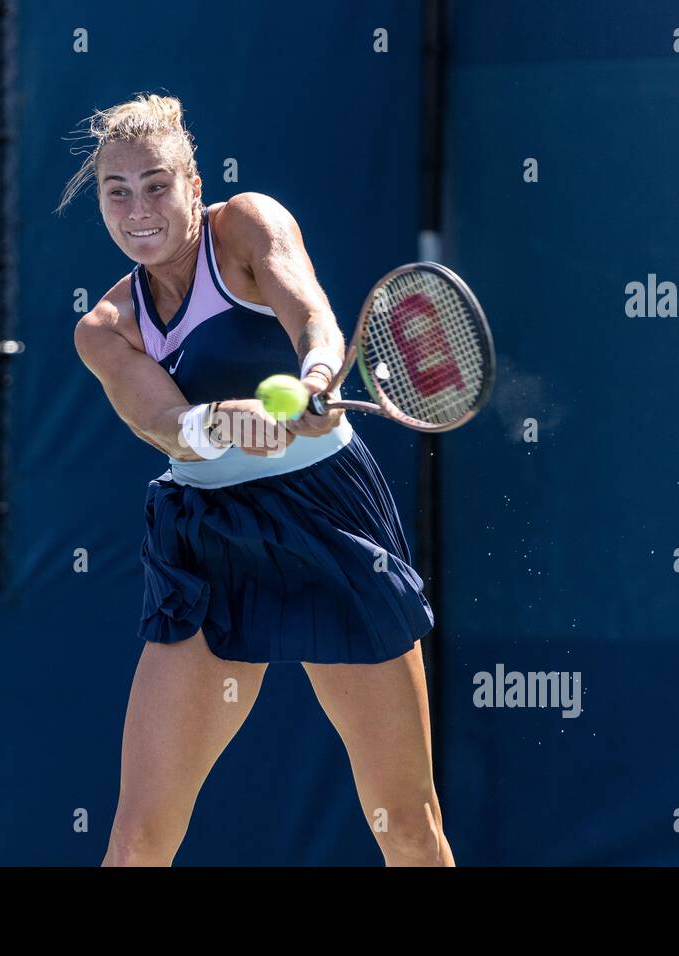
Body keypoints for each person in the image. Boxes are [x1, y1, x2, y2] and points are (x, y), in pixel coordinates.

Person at [66, 94, 454, 866]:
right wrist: (215, 425)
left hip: (328, 514)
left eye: (156, 185)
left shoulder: (247, 225)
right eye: (117, 190)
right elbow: (158, 421)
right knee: (138, 838)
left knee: (405, 824)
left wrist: (314, 374)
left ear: (194, 184)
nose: (137, 208)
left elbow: (311, 314)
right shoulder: (105, 328)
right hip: (206, 538)